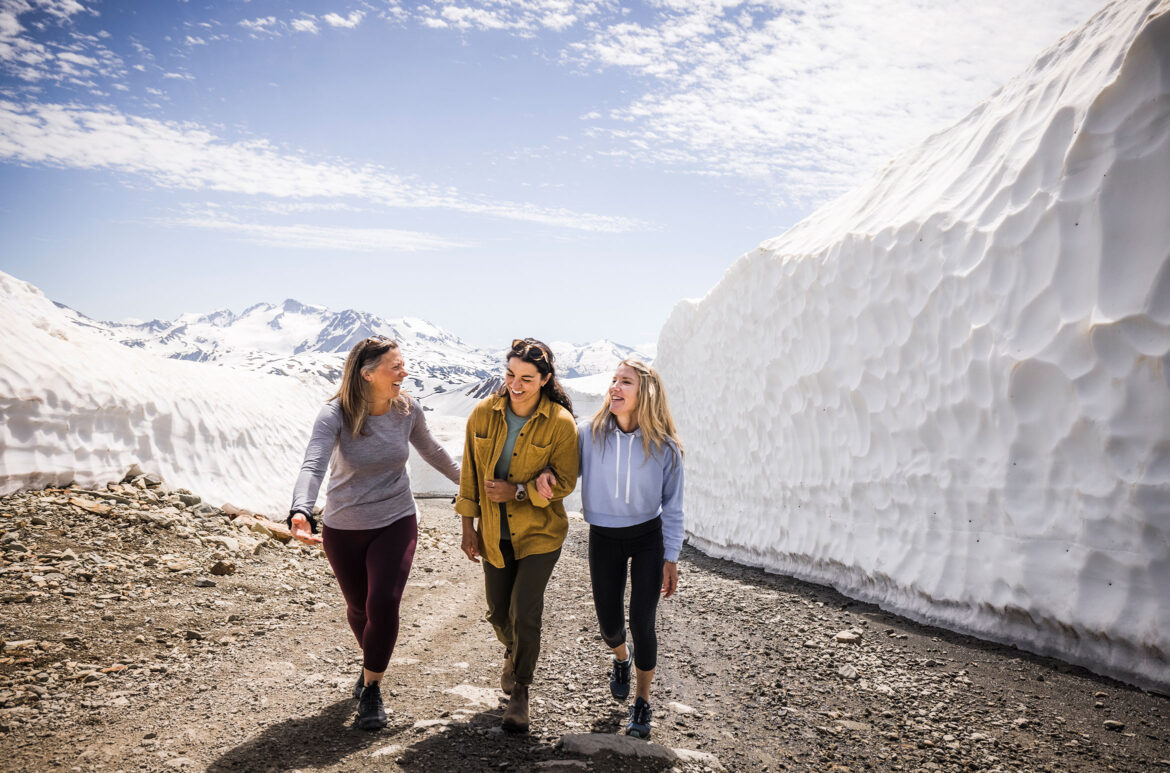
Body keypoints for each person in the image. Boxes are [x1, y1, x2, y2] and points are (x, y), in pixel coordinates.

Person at [288, 336, 461, 731]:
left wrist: (467, 482)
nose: (405, 372)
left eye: (404, 365)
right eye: (395, 366)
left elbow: (431, 450)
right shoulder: (335, 414)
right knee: (360, 609)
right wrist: (301, 510)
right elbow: (313, 465)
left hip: (396, 519)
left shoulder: (406, 408)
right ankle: (371, 665)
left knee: (383, 603)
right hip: (344, 526)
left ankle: (372, 687)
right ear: (367, 374)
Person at [537, 358, 684, 739]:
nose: (615, 388)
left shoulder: (666, 448)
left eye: (626, 382)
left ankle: (642, 702)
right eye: (613, 381)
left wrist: (672, 557)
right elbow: (566, 471)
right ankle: (621, 658)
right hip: (603, 535)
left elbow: (674, 506)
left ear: (645, 392)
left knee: (643, 622)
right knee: (609, 625)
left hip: (648, 537)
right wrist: (550, 473)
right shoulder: (588, 434)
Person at [456, 337, 579, 733]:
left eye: (527, 377)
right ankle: (515, 652)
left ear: (544, 379)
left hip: (541, 534)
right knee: (497, 610)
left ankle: (521, 691)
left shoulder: (560, 422)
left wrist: (522, 490)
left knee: (525, 609)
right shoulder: (482, 414)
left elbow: (565, 482)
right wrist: (467, 527)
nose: (516, 384)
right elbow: (470, 474)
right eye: (511, 374)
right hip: (494, 532)